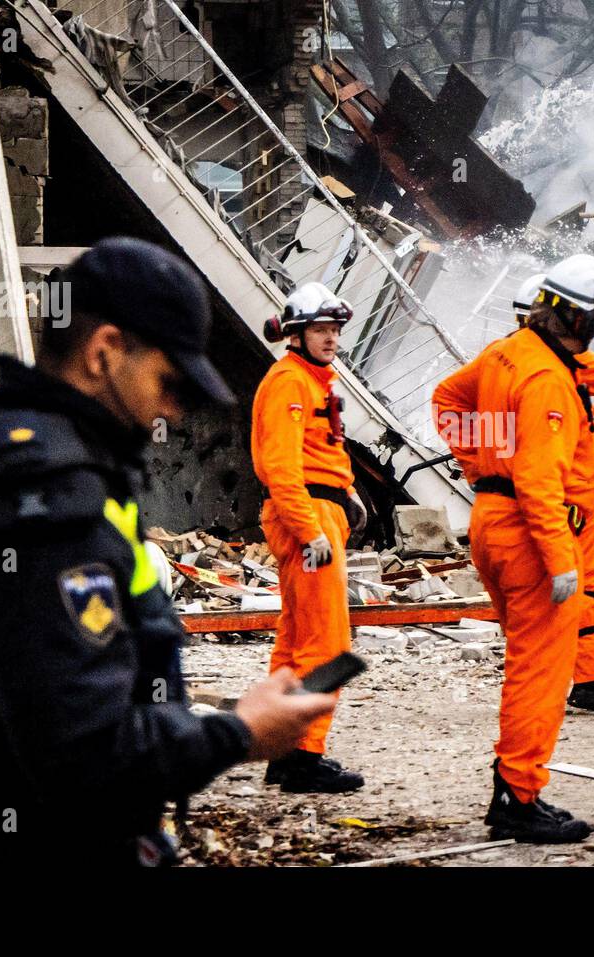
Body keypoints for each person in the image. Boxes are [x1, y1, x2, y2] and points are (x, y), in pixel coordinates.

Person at [0, 237, 336, 866]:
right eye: (170, 381)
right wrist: (237, 732)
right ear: (105, 352)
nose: (174, 412)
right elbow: (84, 753)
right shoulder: (44, 495)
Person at [433, 254, 594, 843]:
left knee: (524, 663)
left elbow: (447, 400)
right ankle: (519, 796)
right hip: (533, 533)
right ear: (578, 317)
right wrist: (563, 560)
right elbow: (541, 479)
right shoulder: (548, 383)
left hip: (492, 519)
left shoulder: (507, 353)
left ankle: (514, 787)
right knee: (540, 672)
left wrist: (482, 465)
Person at [252, 282, 368, 792]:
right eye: (321, 330)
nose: (331, 339)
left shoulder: (311, 379)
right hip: (308, 520)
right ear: (297, 334)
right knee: (325, 642)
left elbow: (320, 453)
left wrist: (349, 494)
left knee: (298, 638)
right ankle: (302, 754)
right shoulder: (290, 382)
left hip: (320, 513)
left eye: (335, 330)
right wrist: (308, 529)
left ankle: (285, 749)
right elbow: (281, 466)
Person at [517, 272, 594, 716]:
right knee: (574, 593)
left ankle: (582, 679)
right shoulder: (549, 372)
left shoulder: (509, 364)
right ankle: (575, 682)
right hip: (562, 500)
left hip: (561, 497)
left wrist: (480, 465)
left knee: (579, 593)